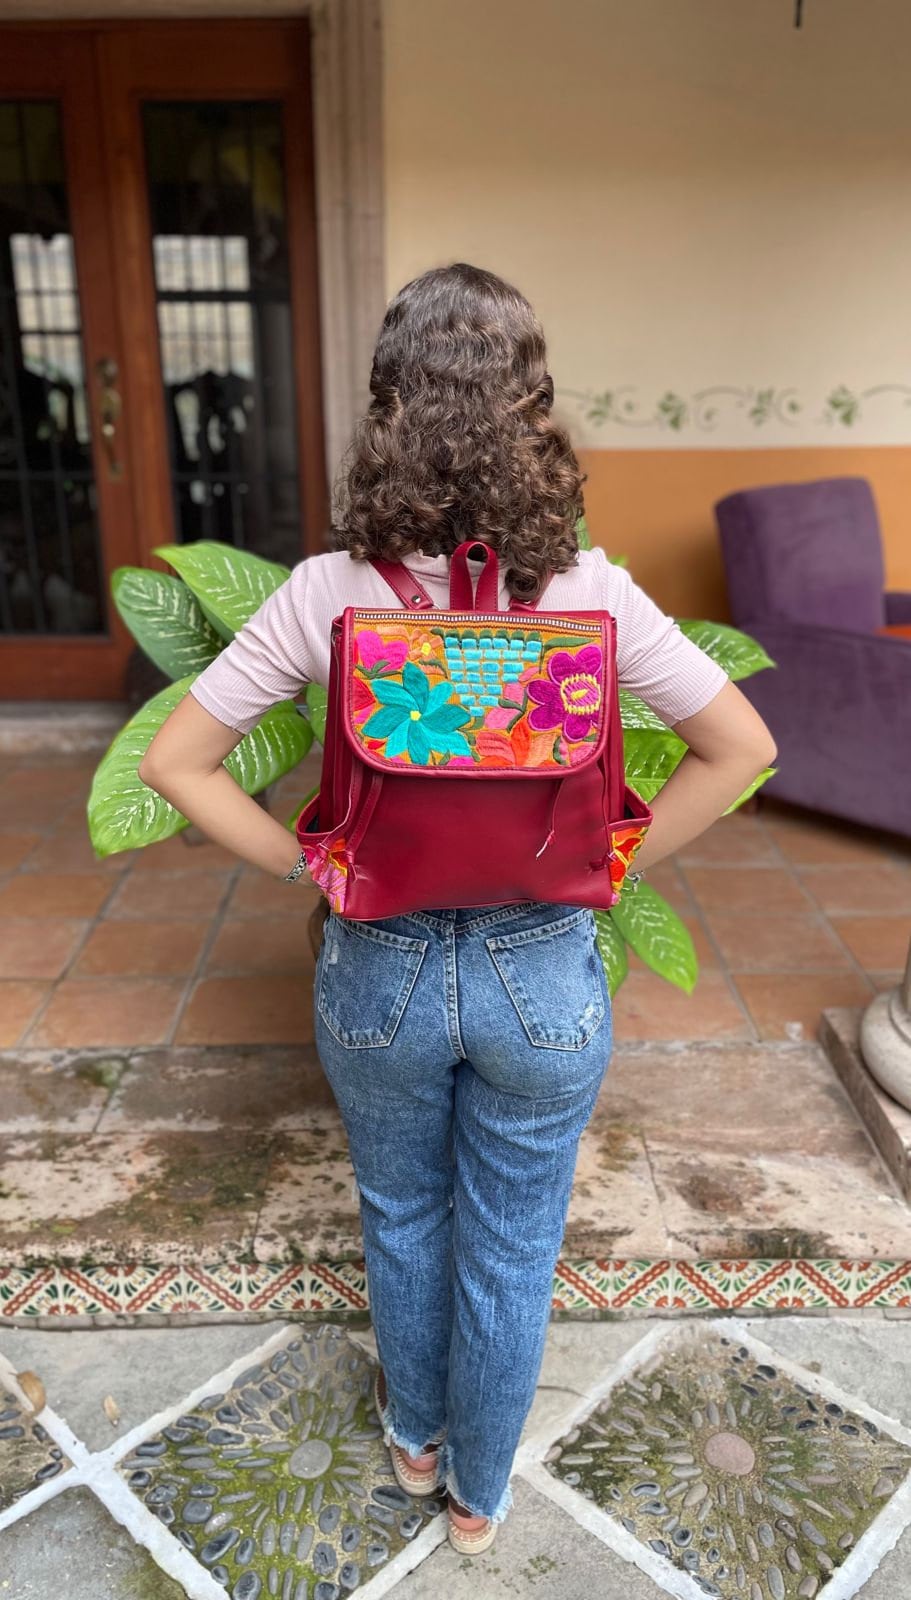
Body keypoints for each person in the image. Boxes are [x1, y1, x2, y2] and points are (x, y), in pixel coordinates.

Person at [138, 263, 777, 1554]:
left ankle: (416, 1444)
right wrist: (612, 864)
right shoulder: (593, 591)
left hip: (381, 960)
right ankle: (482, 1500)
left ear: (389, 414)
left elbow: (175, 765)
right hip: (544, 969)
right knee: (512, 1238)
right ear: (537, 413)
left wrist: (302, 865)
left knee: (403, 1209)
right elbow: (743, 747)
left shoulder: (328, 592)